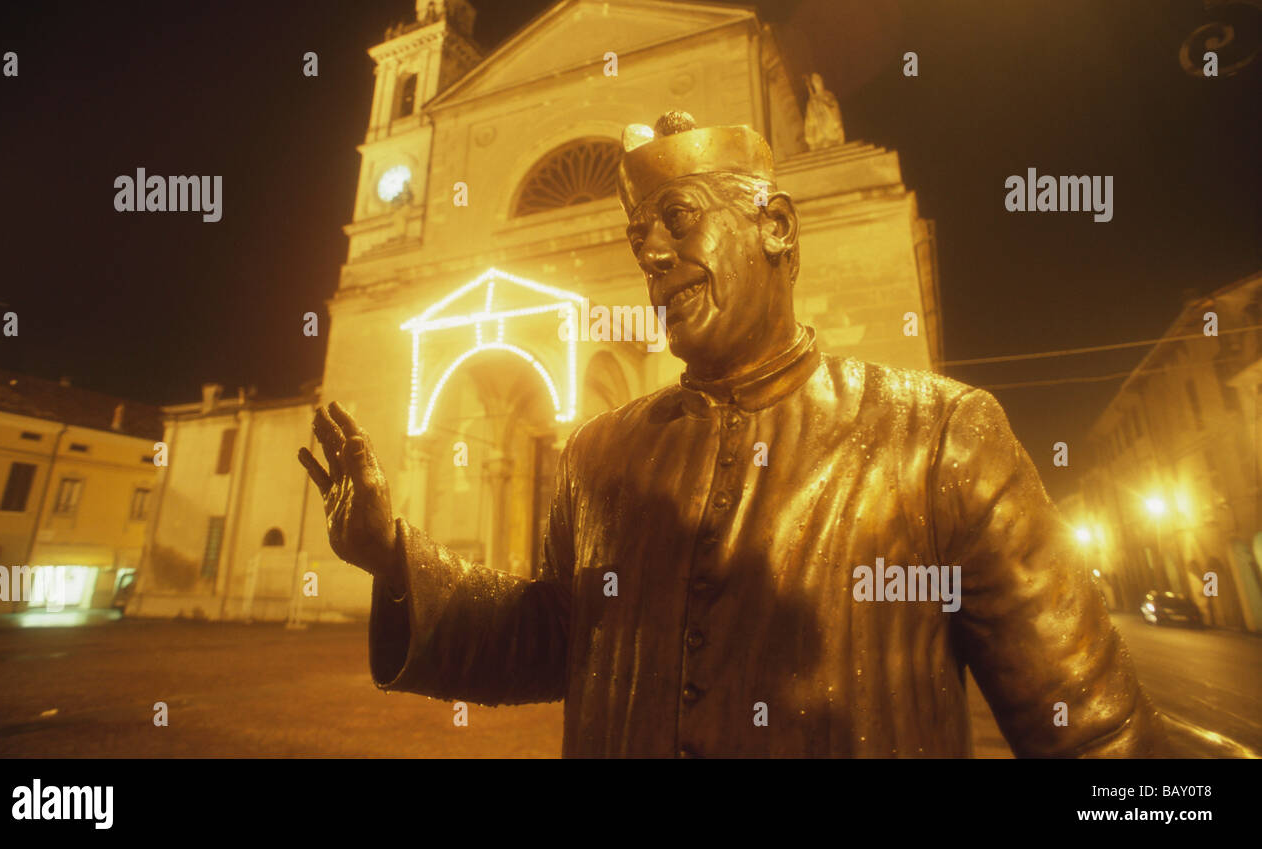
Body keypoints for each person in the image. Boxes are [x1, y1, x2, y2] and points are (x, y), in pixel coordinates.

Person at [299, 111, 1167, 758]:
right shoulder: (598, 454)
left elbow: (1101, 735)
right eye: (639, 235)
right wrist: (393, 556)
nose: (651, 255)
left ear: (778, 225)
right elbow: (554, 635)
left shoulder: (941, 438)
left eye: (678, 218)